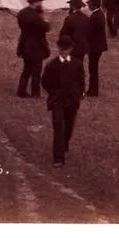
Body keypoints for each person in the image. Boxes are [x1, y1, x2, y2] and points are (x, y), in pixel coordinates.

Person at [41, 35, 85, 167]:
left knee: (69, 125)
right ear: (58, 48)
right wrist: (54, 93)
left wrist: (79, 94)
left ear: (71, 49)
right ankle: (58, 158)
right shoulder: (52, 65)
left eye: (66, 49)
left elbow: (81, 81)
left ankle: (64, 144)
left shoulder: (77, 64)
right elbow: (45, 82)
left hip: (72, 100)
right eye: (62, 49)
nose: (64, 52)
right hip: (57, 101)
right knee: (58, 127)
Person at [16, 0, 51, 98]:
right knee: (36, 71)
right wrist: (44, 19)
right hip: (37, 47)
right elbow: (47, 28)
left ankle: (21, 91)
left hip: (25, 45)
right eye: (40, 1)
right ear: (36, 2)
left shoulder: (22, 13)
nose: (41, 3)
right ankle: (35, 93)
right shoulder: (36, 16)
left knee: (26, 70)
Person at [59, 0, 89, 81]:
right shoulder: (86, 18)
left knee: (70, 69)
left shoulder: (70, 19)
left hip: (72, 48)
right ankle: (81, 89)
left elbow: (63, 34)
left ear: (72, 6)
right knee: (79, 68)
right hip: (82, 48)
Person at [86, 0, 108, 97]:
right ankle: (92, 90)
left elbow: (89, 31)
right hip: (98, 46)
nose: (88, 5)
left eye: (89, 4)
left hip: (95, 47)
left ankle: (93, 91)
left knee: (93, 69)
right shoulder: (99, 14)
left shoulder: (95, 17)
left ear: (94, 5)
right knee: (93, 69)